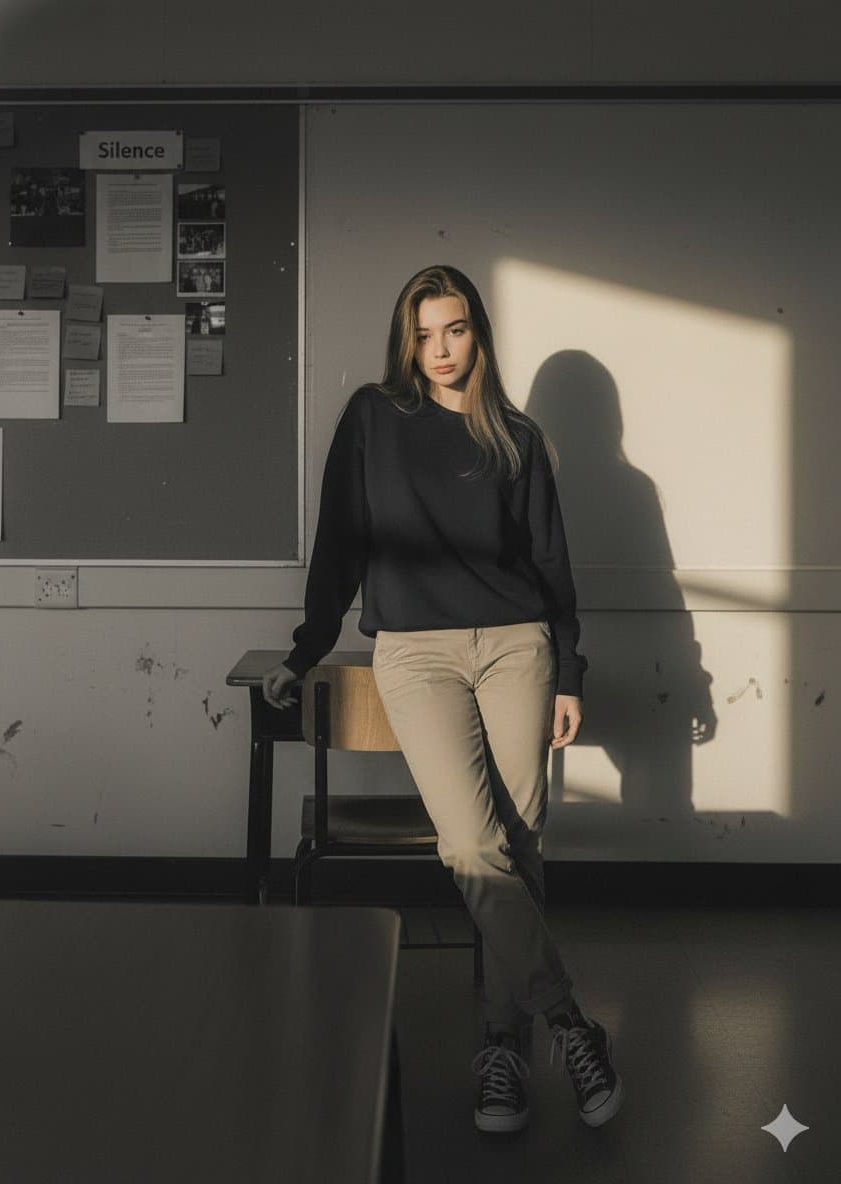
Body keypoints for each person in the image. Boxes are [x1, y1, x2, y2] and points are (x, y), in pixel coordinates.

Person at [262, 264, 623, 1135]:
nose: (438, 351)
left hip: (515, 647)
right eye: (423, 335)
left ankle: (500, 1048)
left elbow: (550, 568)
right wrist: (306, 648)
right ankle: (570, 1023)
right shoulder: (372, 420)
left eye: (454, 330)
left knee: (519, 841)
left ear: (479, 335)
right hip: (414, 654)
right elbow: (338, 547)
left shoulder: (519, 438)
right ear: (405, 339)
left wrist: (568, 670)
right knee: (472, 842)